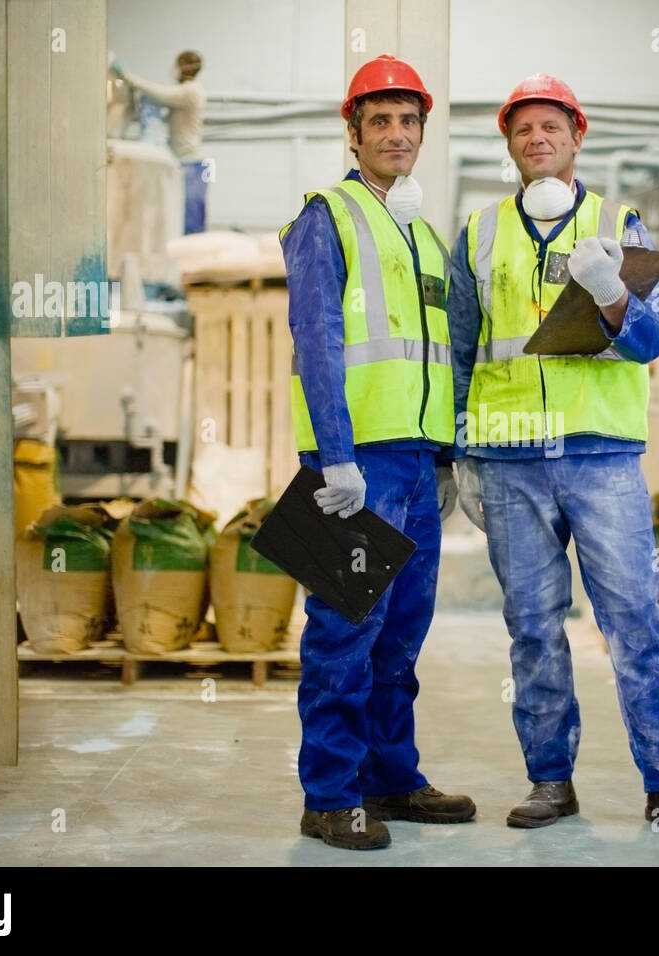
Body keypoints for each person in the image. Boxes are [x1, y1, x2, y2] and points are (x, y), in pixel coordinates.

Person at [447, 74, 659, 837]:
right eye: (523, 130)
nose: (537, 139)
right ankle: (549, 781)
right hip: (508, 462)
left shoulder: (614, 222)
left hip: (601, 458)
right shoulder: (479, 231)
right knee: (532, 624)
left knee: (633, 618)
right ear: (509, 145)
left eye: (550, 128)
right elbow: (463, 347)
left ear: (577, 136)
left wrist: (612, 295)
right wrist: (460, 447)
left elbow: (651, 342)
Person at [277, 55, 473, 851]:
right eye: (381, 120)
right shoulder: (325, 216)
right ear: (353, 132)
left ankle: (390, 778)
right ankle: (329, 794)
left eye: (409, 121)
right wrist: (336, 455)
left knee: (400, 635)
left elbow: (437, 352)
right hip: (352, 467)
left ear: (423, 132)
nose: (397, 133)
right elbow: (318, 342)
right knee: (344, 632)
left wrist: (446, 453)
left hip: (415, 464)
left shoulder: (422, 234)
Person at [111, 51, 209, 233]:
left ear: (185, 67)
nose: (175, 69)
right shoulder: (186, 91)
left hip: (192, 163)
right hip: (184, 161)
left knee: (190, 220)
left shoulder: (190, 91)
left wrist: (128, 77)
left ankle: (191, 258)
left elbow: (159, 93)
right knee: (180, 217)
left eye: (178, 64)